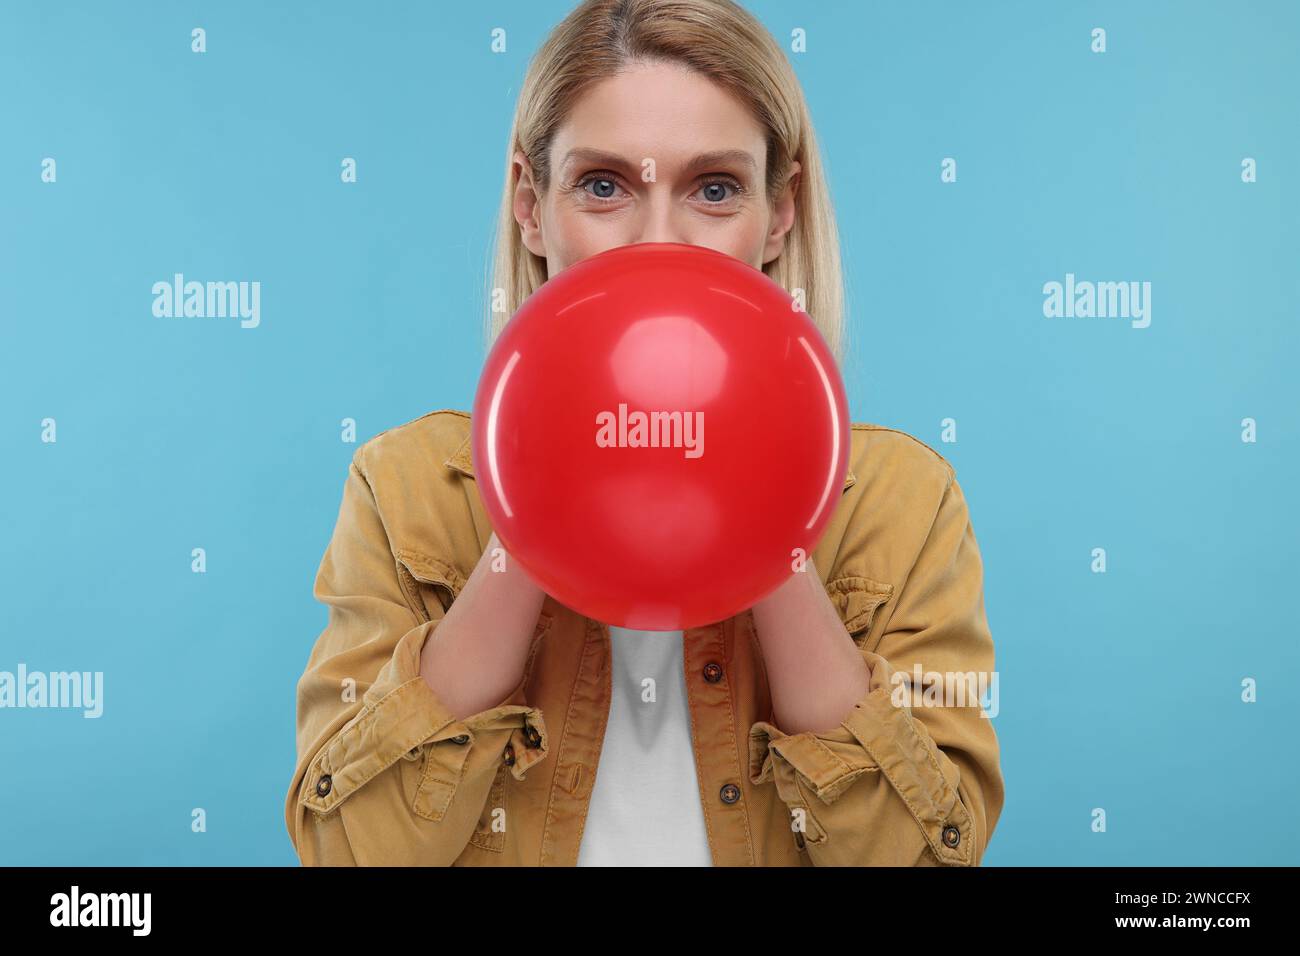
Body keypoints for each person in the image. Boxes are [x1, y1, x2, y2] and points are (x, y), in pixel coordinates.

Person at [286, 0, 1005, 866]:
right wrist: (539, 502)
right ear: (531, 207)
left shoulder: (904, 501)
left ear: (778, 217)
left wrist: (767, 501)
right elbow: (348, 852)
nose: (657, 244)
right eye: (603, 186)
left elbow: (933, 858)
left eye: (713, 189)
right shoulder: (405, 491)